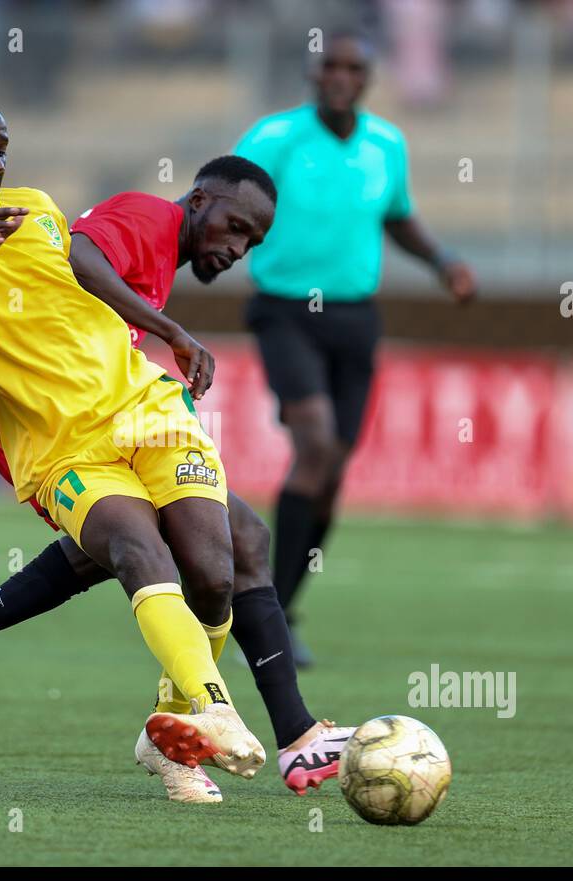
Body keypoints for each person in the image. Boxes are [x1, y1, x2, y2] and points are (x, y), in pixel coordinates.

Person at [0, 157, 354, 802]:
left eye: (250, 243)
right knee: (147, 546)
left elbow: (64, 320)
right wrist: (170, 332)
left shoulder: (159, 256)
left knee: (220, 546)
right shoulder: (147, 216)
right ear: (198, 200)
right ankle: (271, 732)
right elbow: (81, 261)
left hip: (108, 411)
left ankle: (249, 732)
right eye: (233, 227)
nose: (235, 248)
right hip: (51, 429)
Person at [0, 85, 264, 780]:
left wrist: (167, 335)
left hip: (147, 409)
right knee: (137, 550)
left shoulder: (41, 212)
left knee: (215, 573)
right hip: (63, 448)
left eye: (1, 149)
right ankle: (214, 709)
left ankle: (170, 735)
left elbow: (61, 314)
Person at [235, 30, 476, 666]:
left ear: (367, 78)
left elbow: (397, 216)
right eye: (329, 66)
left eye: (352, 68)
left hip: (355, 317)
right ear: (313, 74)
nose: (339, 76)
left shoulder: (385, 144)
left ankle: (281, 606)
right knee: (313, 445)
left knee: (333, 471)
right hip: (285, 310)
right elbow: (225, 197)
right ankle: (270, 621)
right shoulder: (275, 139)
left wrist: (443, 261)